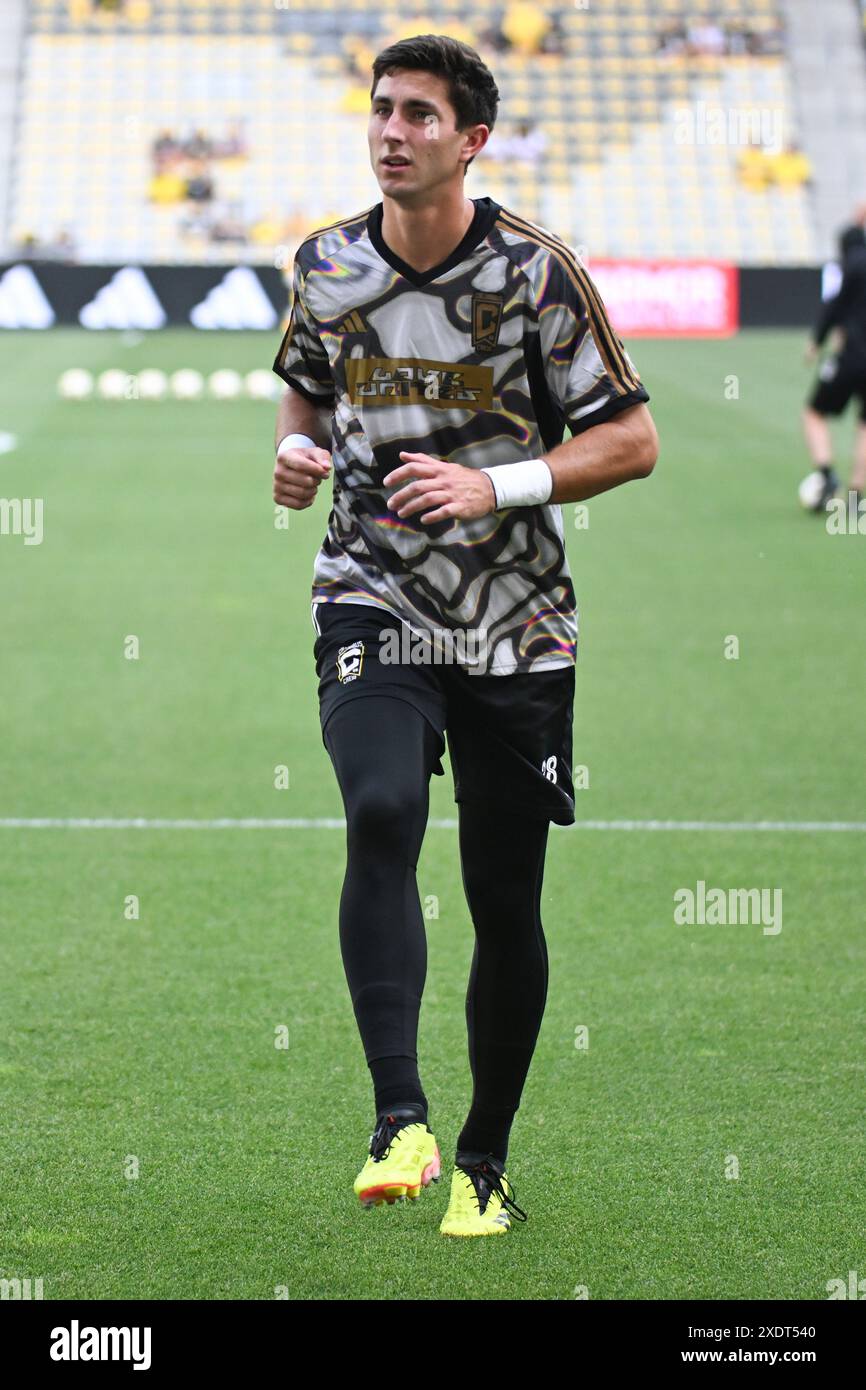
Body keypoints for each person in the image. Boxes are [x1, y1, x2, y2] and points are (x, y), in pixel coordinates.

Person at [270, 33, 658, 1237]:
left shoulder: (537, 274)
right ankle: (400, 1118)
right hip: (371, 590)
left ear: (470, 139)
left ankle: (483, 1163)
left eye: (420, 115)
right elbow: (305, 391)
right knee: (381, 808)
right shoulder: (326, 263)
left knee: (501, 892)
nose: (392, 131)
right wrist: (297, 453)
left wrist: (495, 485)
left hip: (512, 624)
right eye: (381, 109)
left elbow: (630, 441)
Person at [803, 223, 866, 510]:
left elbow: (835, 305)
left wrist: (816, 341)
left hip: (851, 355)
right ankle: (855, 497)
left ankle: (827, 476)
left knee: (814, 412)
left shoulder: (852, 266)